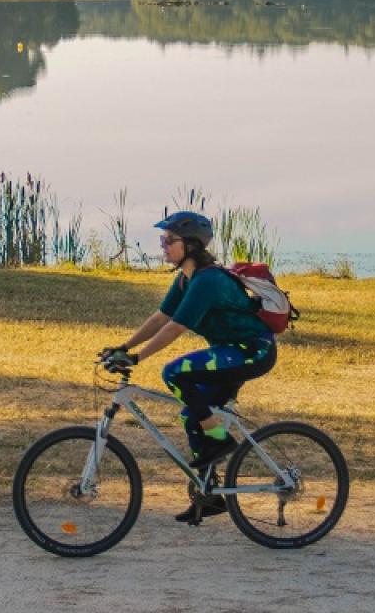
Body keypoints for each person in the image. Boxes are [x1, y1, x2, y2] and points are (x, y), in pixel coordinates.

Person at [99, 210, 277, 524]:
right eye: (162, 240)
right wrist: (123, 348)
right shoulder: (186, 278)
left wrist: (139, 358)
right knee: (192, 414)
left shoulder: (207, 280)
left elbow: (174, 328)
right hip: (230, 352)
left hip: (252, 351)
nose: (164, 246)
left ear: (190, 245)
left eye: (170, 241)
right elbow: (159, 319)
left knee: (174, 373)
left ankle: (220, 441)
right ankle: (210, 496)